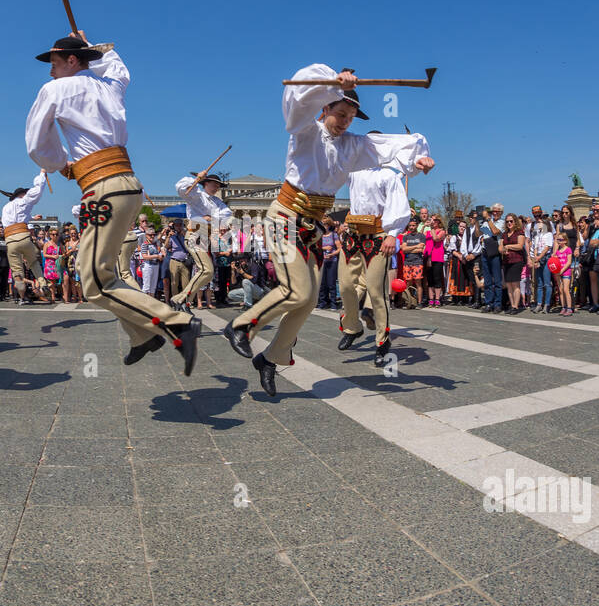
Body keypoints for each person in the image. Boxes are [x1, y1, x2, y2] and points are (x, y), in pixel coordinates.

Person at [222, 66, 433, 393]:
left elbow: (391, 149)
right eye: (340, 112)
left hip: (311, 228)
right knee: (297, 292)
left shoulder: (354, 146)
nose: (345, 120)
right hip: (284, 218)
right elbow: (297, 106)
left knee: (305, 302)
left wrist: (418, 159)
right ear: (325, 108)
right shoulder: (305, 130)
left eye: (350, 116)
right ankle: (239, 326)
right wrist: (330, 80)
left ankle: (271, 358)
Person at [26, 31, 198, 370]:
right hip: (129, 187)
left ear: (73, 61)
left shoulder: (55, 90)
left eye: (56, 63)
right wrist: (95, 48)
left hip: (102, 189)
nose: (50, 71)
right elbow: (119, 69)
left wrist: (62, 165)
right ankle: (142, 336)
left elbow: (36, 144)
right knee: (104, 271)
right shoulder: (111, 87)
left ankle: (174, 322)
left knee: (91, 281)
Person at [335, 159, 409, 355]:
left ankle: (382, 342)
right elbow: (335, 166)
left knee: (376, 291)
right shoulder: (353, 171)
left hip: (377, 235)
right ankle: (352, 327)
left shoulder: (388, 175)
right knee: (345, 285)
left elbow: (400, 206)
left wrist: (392, 235)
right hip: (353, 234)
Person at [174, 171, 232, 312]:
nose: (216, 187)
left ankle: (184, 301)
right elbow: (181, 189)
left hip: (204, 240)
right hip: (195, 237)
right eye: (214, 184)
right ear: (205, 183)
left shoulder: (218, 202)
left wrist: (210, 218)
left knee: (207, 273)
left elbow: (226, 215)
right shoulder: (197, 196)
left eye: (218, 186)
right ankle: (181, 299)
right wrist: (195, 179)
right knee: (207, 270)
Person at [2, 172, 49, 304]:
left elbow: (16, 220)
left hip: (10, 239)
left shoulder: (5, 207)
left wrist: (32, 217)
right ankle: (42, 282)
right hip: (23, 236)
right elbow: (38, 190)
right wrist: (42, 174)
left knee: (17, 273)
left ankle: (22, 298)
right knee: (33, 261)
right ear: (21, 195)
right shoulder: (24, 201)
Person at [500, 214, 526, 313]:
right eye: (507, 222)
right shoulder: (504, 234)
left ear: (515, 222)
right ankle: (512, 305)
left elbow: (520, 246)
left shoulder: (520, 232)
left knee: (515, 284)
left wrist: (508, 247)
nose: (509, 223)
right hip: (506, 261)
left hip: (516, 261)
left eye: (511, 221)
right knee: (509, 285)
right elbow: (500, 246)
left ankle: (516, 306)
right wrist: (502, 250)